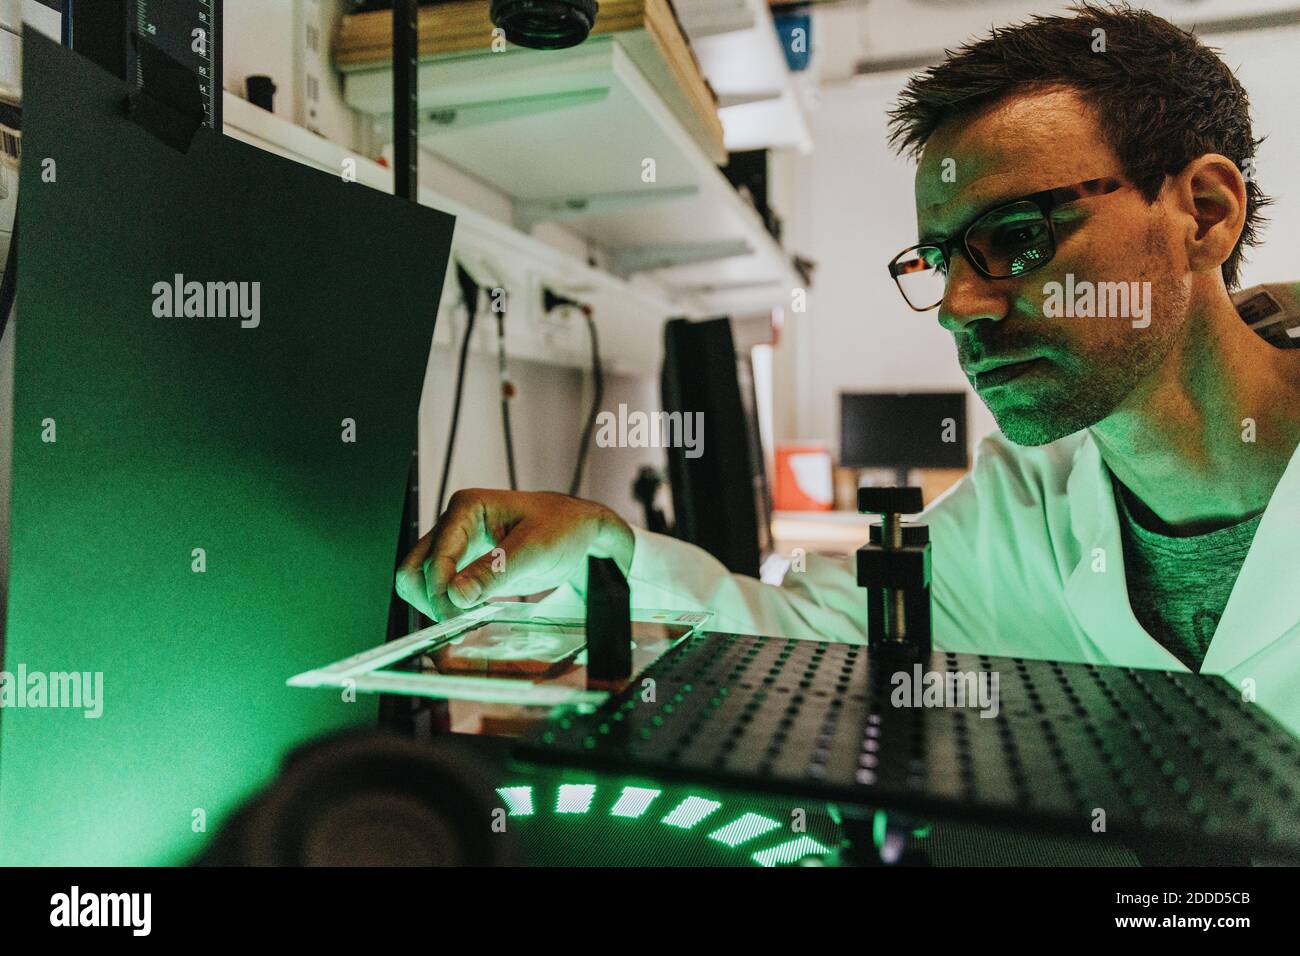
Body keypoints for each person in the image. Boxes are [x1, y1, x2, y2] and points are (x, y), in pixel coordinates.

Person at [396, 4, 1300, 735]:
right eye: (939, 261)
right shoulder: (1021, 511)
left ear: (1206, 213)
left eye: (1017, 238)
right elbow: (808, 637)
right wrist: (610, 555)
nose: (958, 306)